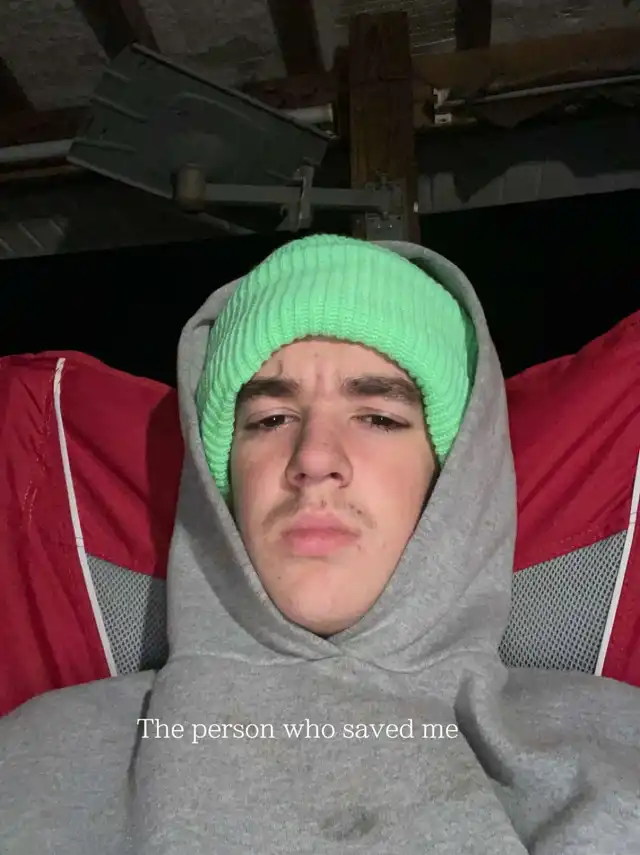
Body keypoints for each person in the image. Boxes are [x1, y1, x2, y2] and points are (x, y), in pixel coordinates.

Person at [0, 234, 638, 853]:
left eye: (378, 417)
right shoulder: (39, 761)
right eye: (271, 418)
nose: (313, 458)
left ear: (457, 477)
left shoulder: (615, 751)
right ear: (220, 478)